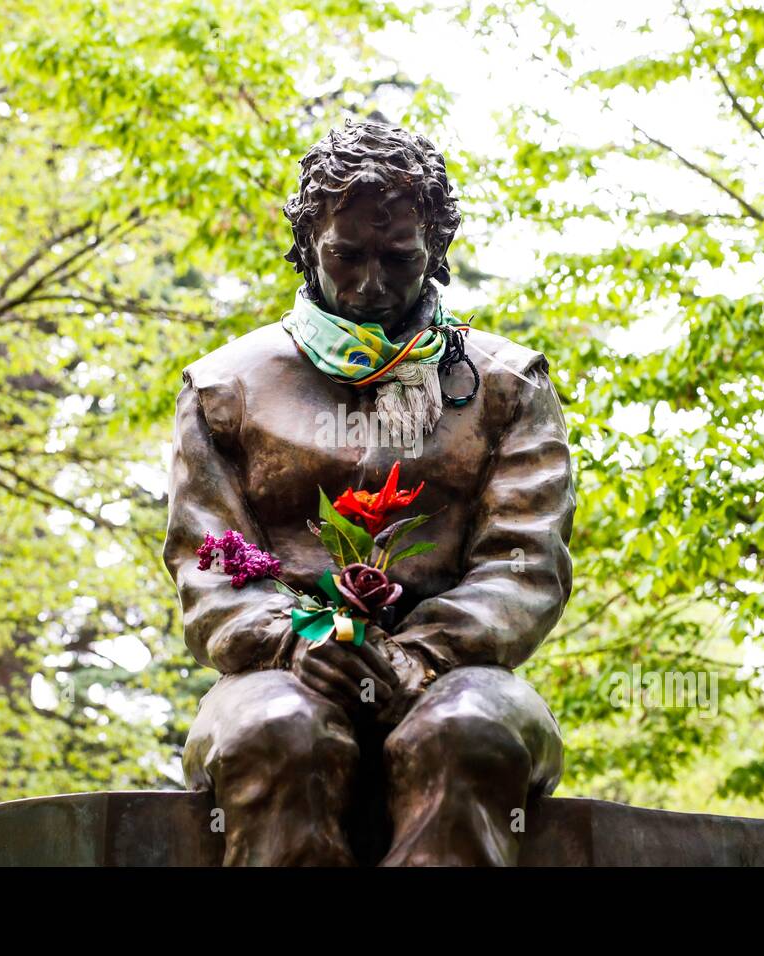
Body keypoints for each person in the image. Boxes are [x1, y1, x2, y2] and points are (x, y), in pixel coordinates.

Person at [162, 119, 576, 865]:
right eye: (346, 255)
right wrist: (298, 641)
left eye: (400, 258)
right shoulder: (224, 388)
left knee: (468, 735)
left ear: (436, 253)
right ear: (306, 244)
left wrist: (418, 657)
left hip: (459, 675)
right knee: (276, 734)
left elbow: (524, 565)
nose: (372, 284)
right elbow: (207, 565)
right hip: (275, 677)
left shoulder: (509, 386)